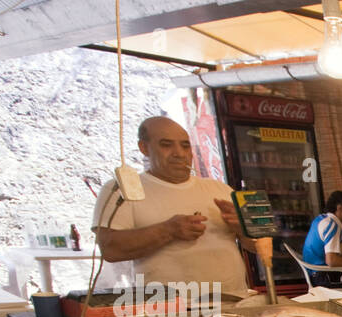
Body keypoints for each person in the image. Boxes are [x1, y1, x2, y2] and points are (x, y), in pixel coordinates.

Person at [92, 116, 253, 306]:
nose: (179, 153)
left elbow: (258, 247)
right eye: (166, 145)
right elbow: (110, 249)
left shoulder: (220, 189)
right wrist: (169, 230)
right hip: (168, 309)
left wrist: (244, 229)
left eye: (185, 146)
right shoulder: (124, 188)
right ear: (144, 148)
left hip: (234, 303)